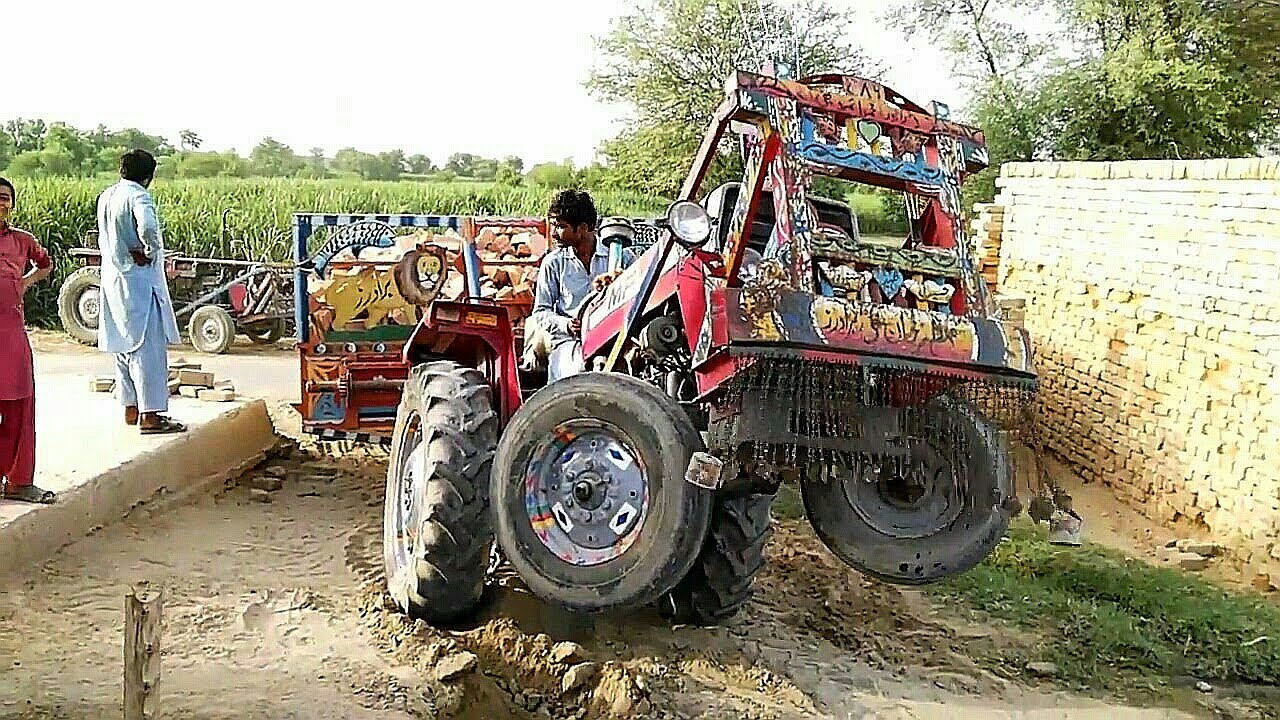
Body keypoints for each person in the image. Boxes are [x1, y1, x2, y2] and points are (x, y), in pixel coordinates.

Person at [96, 150, 186, 434]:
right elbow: (147, 226)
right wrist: (150, 251)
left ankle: (130, 407)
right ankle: (151, 416)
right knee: (148, 350)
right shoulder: (139, 196)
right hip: (139, 282)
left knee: (123, 345)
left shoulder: (107, 196)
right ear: (149, 176)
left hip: (114, 280)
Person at [531, 189, 635, 383]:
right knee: (575, 379)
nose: (554, 233)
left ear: (584, 228)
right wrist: (567, 325)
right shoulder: (553, 262)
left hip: (614, 340)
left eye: (561, 226)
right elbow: (540, 312)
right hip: (570, 341)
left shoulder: (623, 259)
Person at [0, 177, 57, 503]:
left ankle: (20, 481)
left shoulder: (22, 241)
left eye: (5, 198)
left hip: (11, 334)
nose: (1, 203)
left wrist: (24, 282)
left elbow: (45, 265)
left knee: (20, 405)